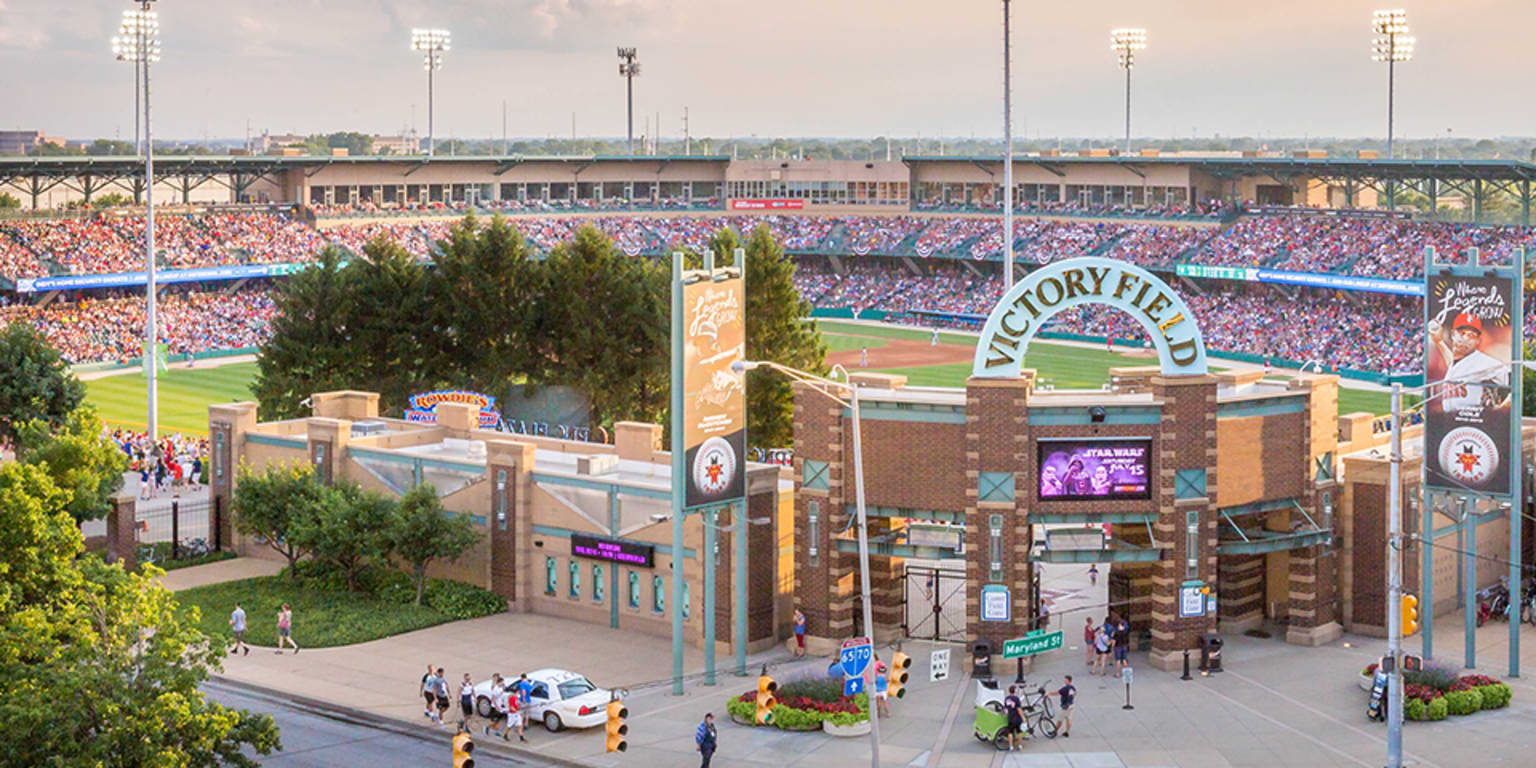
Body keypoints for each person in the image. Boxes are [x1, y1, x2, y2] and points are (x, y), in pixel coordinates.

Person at [1002, 684, 1025, 750]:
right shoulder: (1016, 699)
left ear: (1009, 691)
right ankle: (1020, 745)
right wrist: (1023, 718)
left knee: (1010, 732)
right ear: (1014, 691)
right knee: (1019, 732)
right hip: (1017, 718)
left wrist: (1005, 713)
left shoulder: (1007, 699)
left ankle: (1011, 746)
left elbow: (1004, 709)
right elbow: (1019, 709)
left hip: (1010, 718)